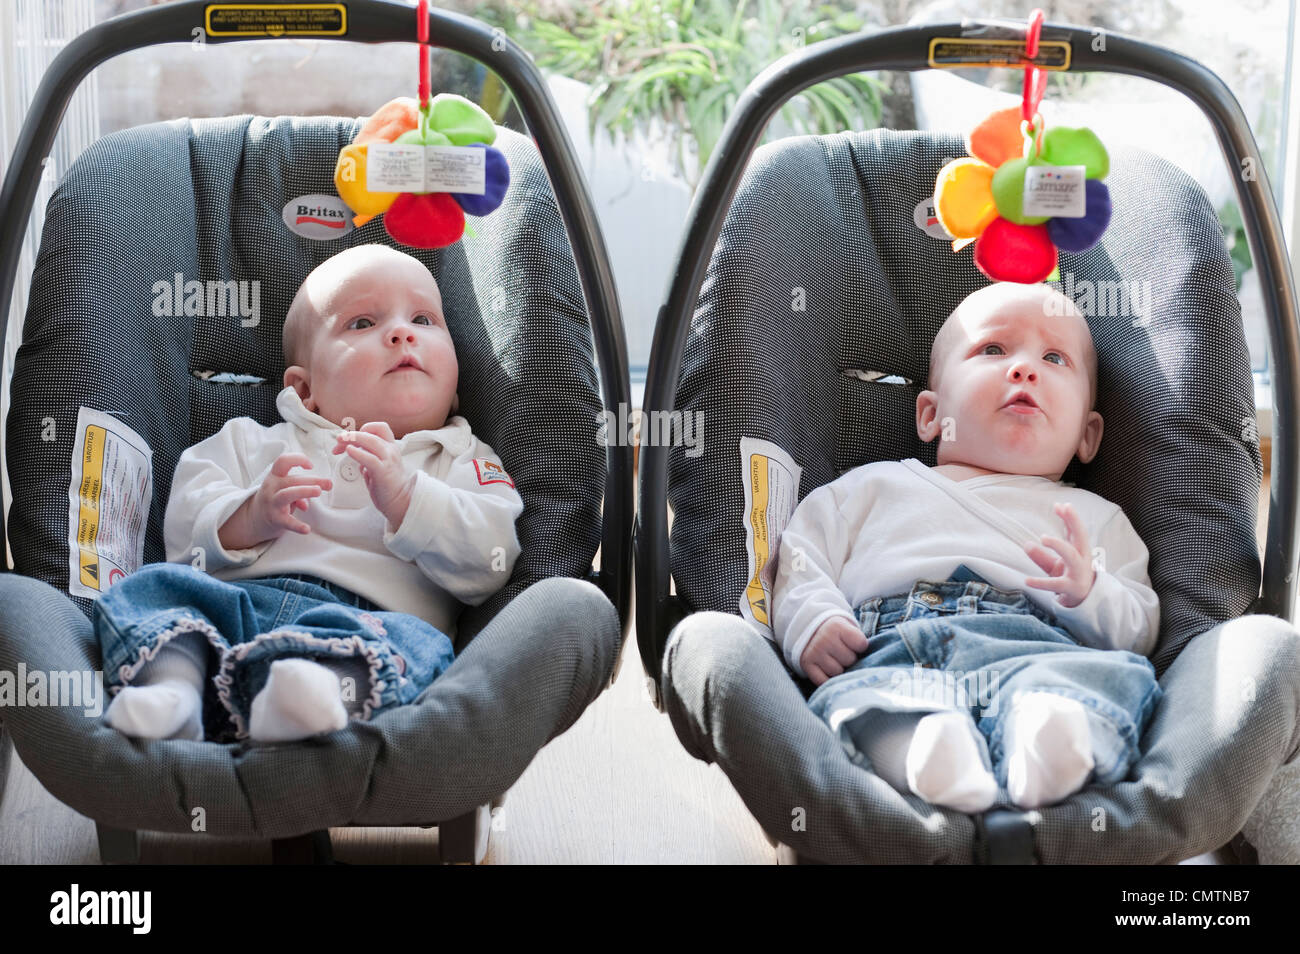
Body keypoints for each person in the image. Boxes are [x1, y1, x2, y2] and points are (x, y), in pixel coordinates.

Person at [95, 244, 524, 743]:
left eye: (425, 319)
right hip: (239, 605)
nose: (402, 332)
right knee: (147, 590)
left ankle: (310, 700)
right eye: (362, 323)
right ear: (304, 391)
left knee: (422, 648)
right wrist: (251, 515)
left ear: (455, 379)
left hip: (373, 624)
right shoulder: (251, 442)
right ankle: (173, 693)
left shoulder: (461, 457)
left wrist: (409, 499)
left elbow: (492, 564)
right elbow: (184, 532)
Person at [772, 281, 1162, 812]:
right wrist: (813, 621)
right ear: (931, 414)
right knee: (859, 699)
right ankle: (927, 751)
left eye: (1053, 357)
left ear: (1087, 436)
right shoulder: (872, 488)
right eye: (993, 350)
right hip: (898, 650)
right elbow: (798, 556)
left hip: (1041, 655)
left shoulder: (1096, 519)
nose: (1024, 369)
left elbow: (1138, 629)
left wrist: (1090, 591)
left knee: (1116, 680)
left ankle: (1050, 744)